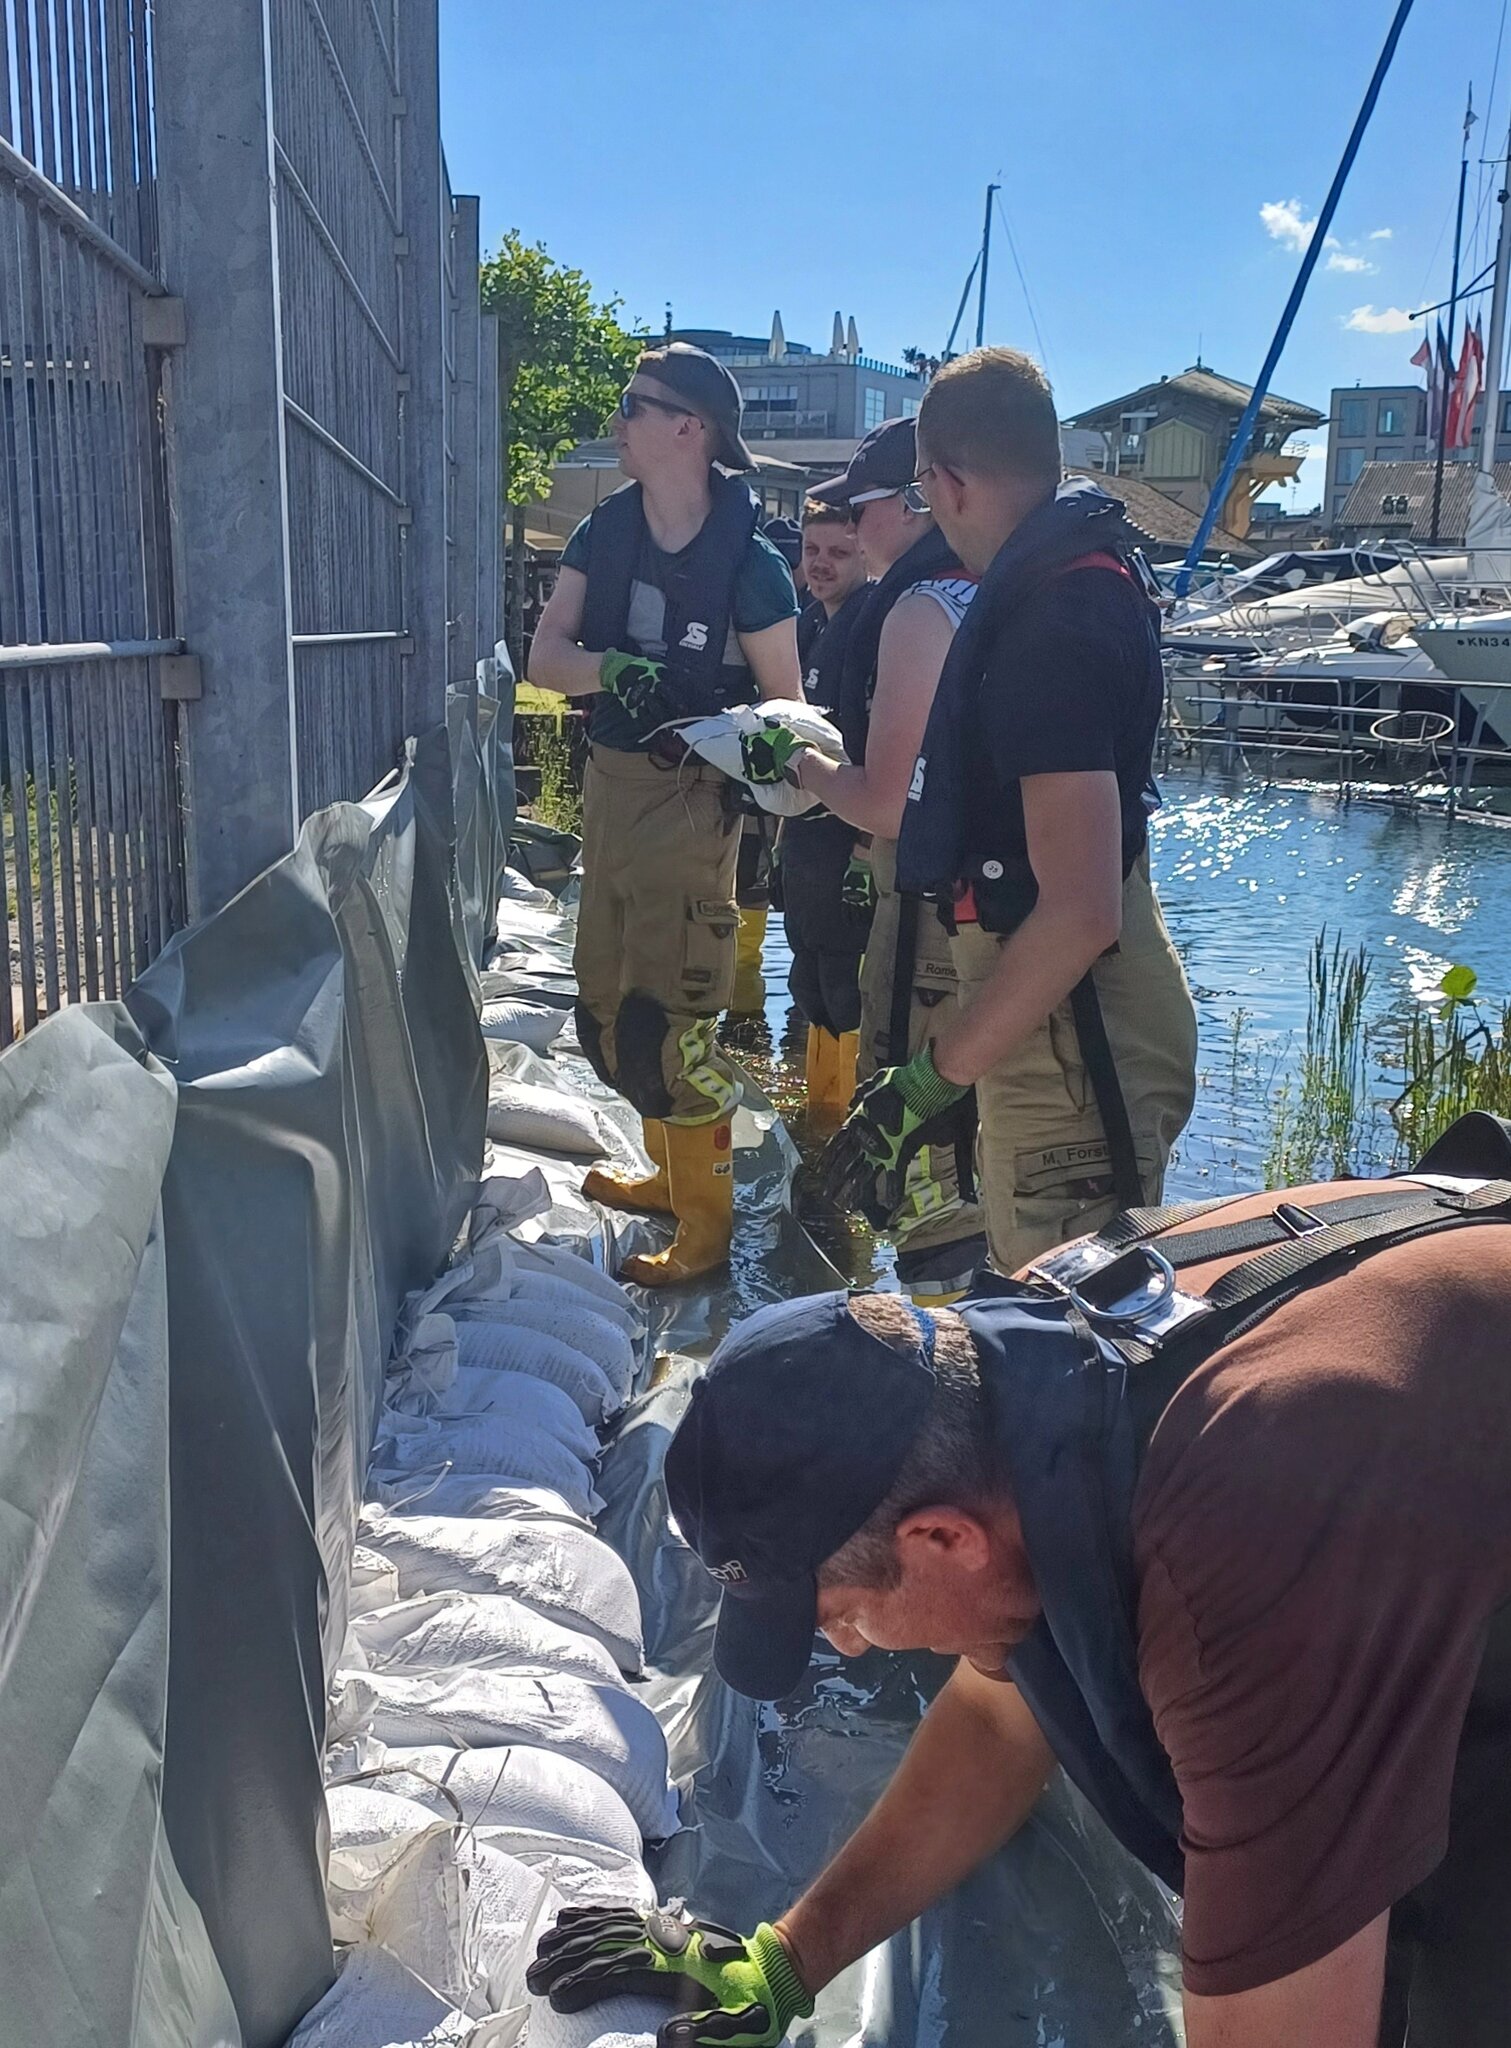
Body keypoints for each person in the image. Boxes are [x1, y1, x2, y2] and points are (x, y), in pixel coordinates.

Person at [529, 1154, 1511, 2047]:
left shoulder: (1245, 1566)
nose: (852, 1646)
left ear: (942, 1539)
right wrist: (789, 1958)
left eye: (842, 1611)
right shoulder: (1017, 1369)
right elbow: (1003, 1717)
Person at [817, 348, 1197, 1276]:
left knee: (1063, 1326)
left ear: (943, 481)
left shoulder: (1050, 625)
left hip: (1077, 1026)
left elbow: (1076, 911)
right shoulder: (1066, 583)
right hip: (1059, 1005)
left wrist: (926, 1080)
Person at [529, 342, 801, 1286]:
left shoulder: (753, 568)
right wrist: (610, 670)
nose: (618, 421)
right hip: (610, 791)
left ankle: (706, 1231)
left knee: (673, 1019)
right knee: (604, 999)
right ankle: (663, 1178)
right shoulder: (600, 534)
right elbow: (544, 661)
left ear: (691, 428)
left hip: (693, 810)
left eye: (635, 406)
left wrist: (751, 746)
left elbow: (787, 714)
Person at [767, 419, 988, 1301]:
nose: (851, 538)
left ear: (917, 499)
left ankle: (941, 1353)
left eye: (859, 514)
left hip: (936, 905)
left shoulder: (917, 604)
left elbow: (887, 794)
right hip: (998, 908)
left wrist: (800, 766)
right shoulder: (1002, 587)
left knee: (933, 1169)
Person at [778, 499, 871, 1125]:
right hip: (805, 827)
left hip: (853, 832)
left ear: (864, 551)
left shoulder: (876, 627)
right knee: (806, 974)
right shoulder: (808, 623)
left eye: (838, 552)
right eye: (812, 551)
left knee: (845, 982)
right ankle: (818, 1113)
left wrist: (867, 847)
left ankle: (848, 1116)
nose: (821, 564)